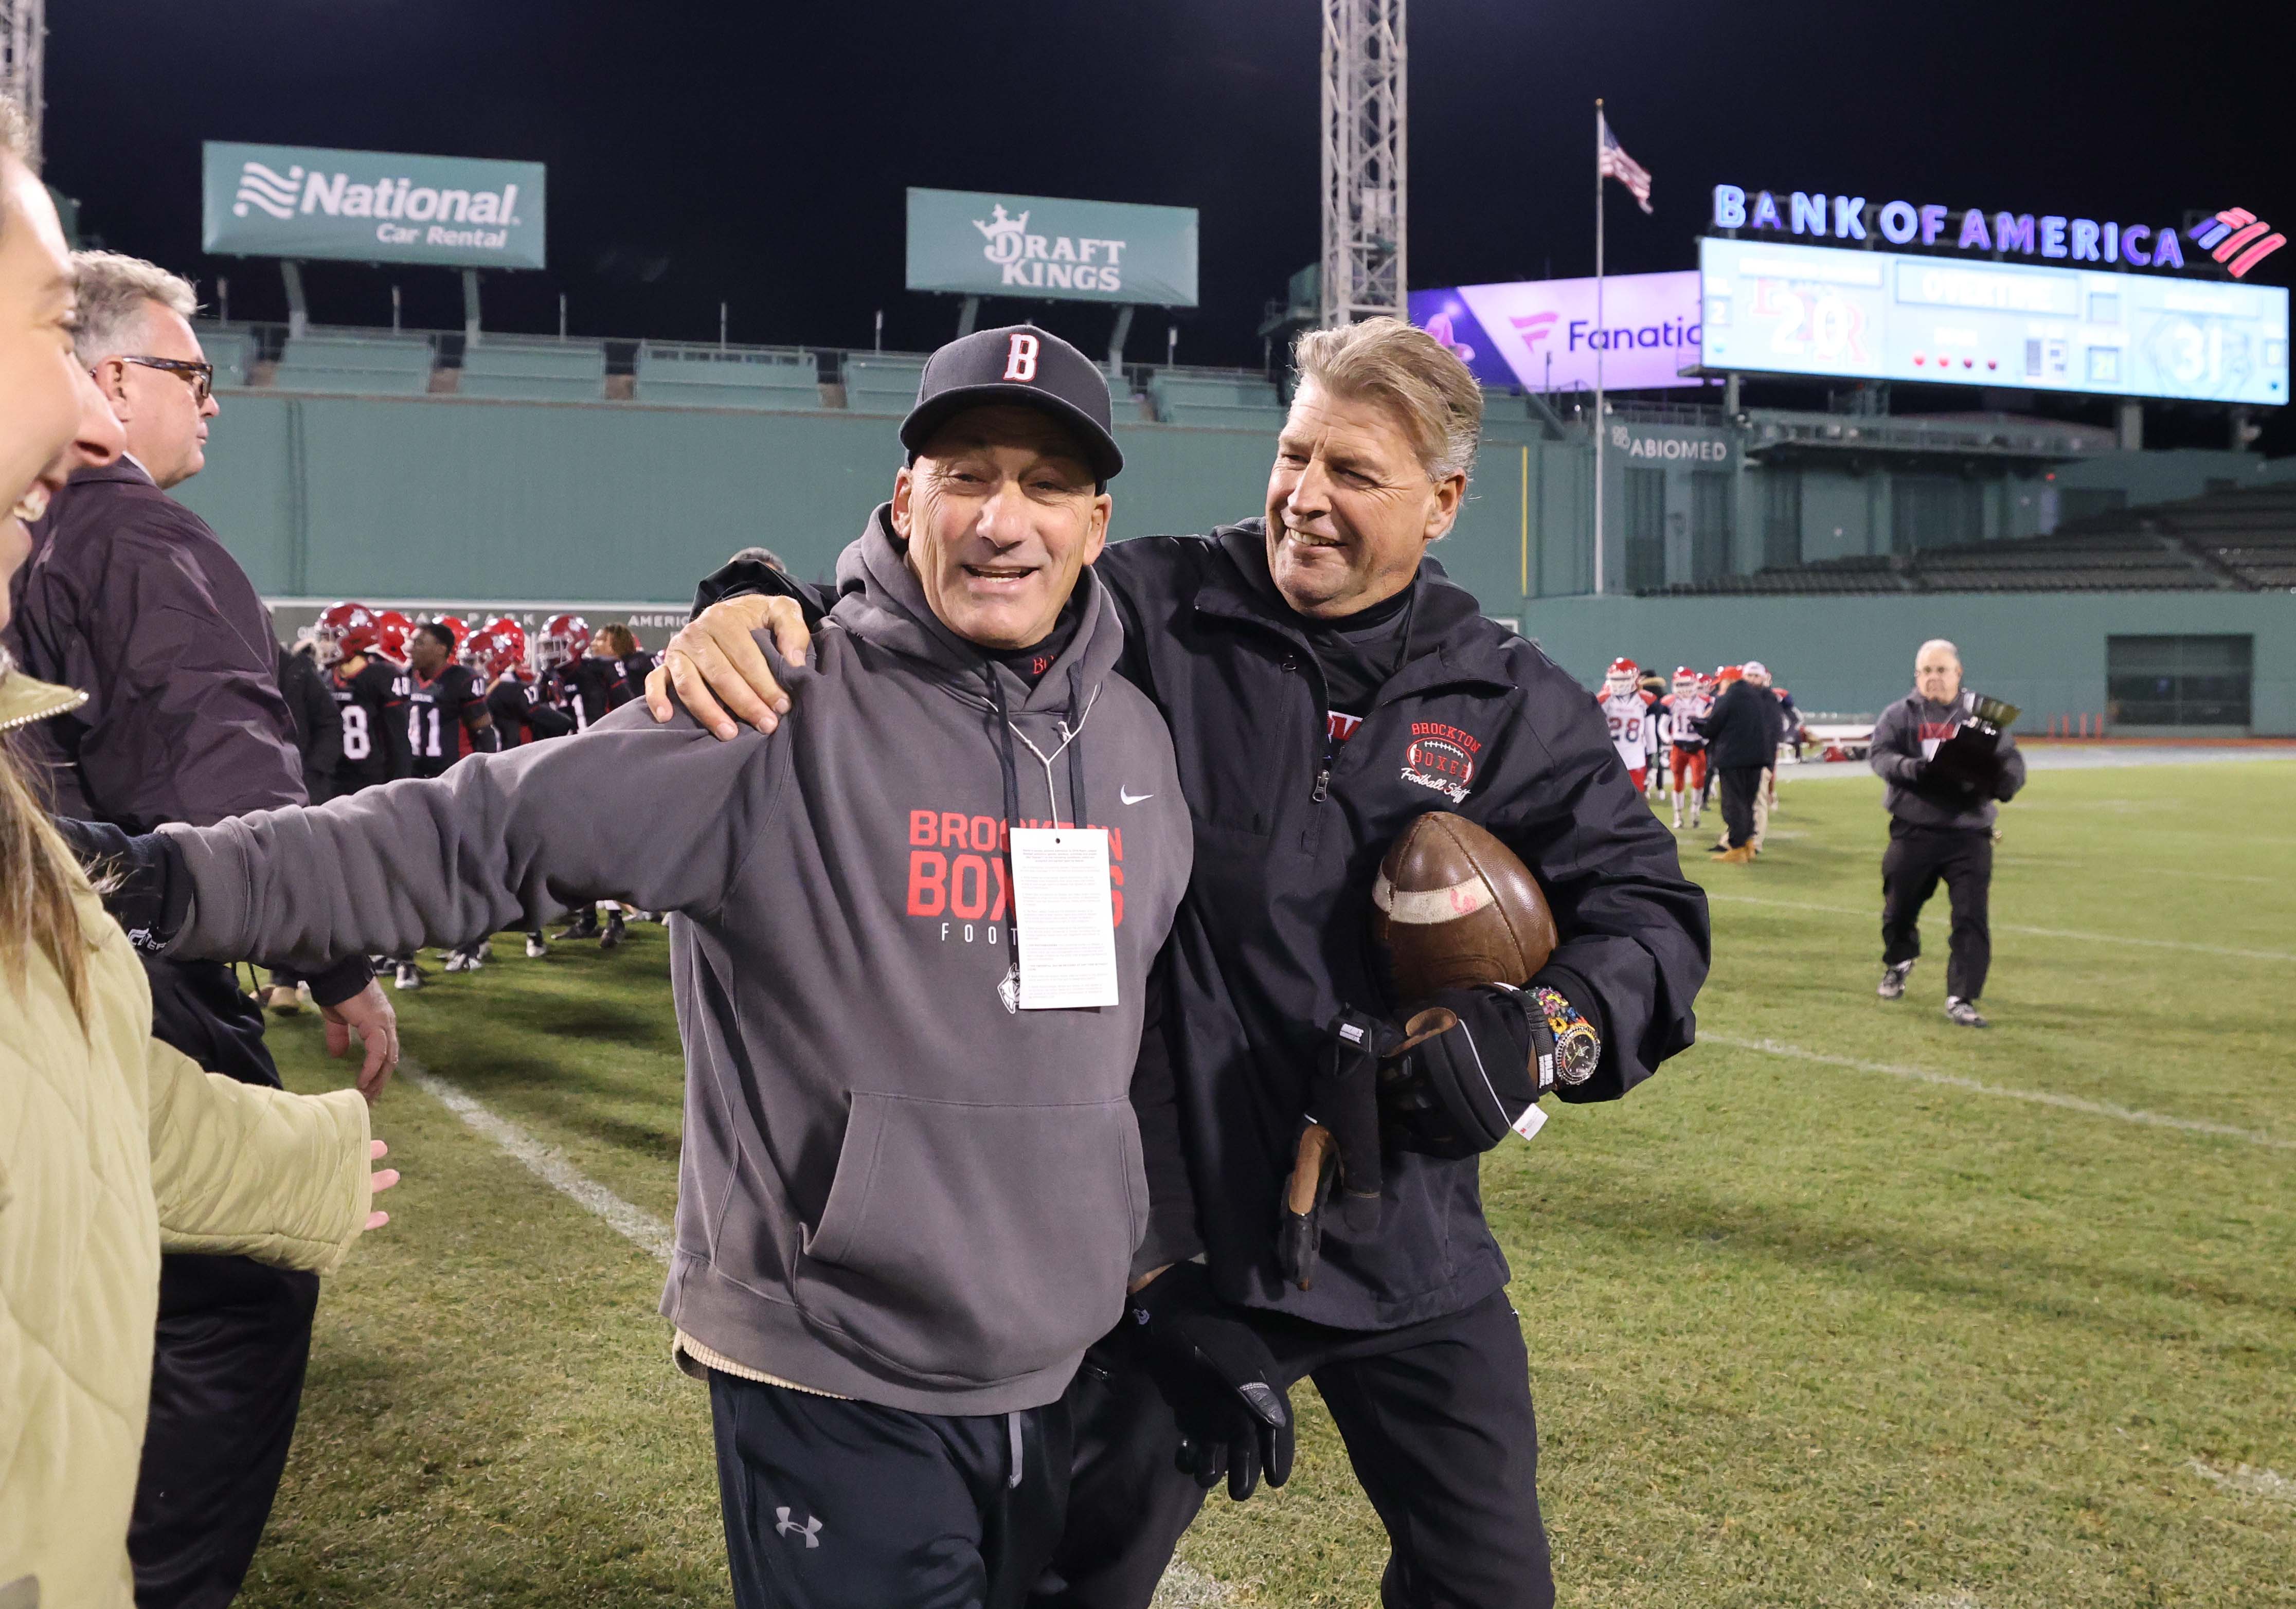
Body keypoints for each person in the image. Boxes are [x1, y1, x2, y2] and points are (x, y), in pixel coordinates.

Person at [133, 323, 1198, 1609]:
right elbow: (475, 831)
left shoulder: (1134, 735)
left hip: (1054, 1372)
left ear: (1097, 522)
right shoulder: (771, 701)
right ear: (905, 494)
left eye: (1042, 485)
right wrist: (169, 880)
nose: (1000, 520)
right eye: (966, 474)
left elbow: (1129, 1027)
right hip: (835, 1371)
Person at [657, 316, 1711, 1609]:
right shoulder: (1151, 609)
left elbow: (1649, 913)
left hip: (1406, 1243)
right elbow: (958, 592)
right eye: (1292, 457)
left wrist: (1546, 1028)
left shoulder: (1503, 696)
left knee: (1490, 1585)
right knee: (1070, 1582)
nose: (1304, 502)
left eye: (1353, 476)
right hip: (1168, 1248)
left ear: (1439, 503)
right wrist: (760, 597)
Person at [0, 97, 393, 1609]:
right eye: (182, 373)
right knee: (210, 1332)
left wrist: (288, 1158)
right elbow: (236, 790)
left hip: (128, 1003)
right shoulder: (145, 540)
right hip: (165, 975)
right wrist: (340, 953)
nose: (159, 414)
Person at [1868, 639, 2025, 1027]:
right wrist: (1914, 769)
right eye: (1927, 671)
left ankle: (1962, 996)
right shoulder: (1899, 714)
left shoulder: (1985, 716)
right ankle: (1900, 958)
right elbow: (1880, 755)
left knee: (1971, 917)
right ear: (1917, 676)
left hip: (1969, 833)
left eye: (1942, 670)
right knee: (1898, 909)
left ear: (1958, 673)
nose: (1934, 678)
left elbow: (2012, 761)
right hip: (1914, 831)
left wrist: (2003, 782)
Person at [1696, 663, 1773, 864]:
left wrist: (1697, 723)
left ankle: (1738, 847)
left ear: (1728, 680)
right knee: (1748, 804)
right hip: (1757, 759)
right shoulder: (1757, 696)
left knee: (1734, 805)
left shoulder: (1729, 697)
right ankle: (1748, 844)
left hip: (1734, 759)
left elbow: (1712, 727)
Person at [1597, 656, 1660, 796]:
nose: (1620, 684)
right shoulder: (1604, 700)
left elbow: (1650, 733)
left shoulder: (1645, 701)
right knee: (1610, 800)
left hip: (1636, 759)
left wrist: (1653, 760)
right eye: (1616, 680)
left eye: (1623, 680)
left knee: (1637, 802)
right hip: (1611, 759)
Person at [1657, 664, 1709, 831]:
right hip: (1679, 746)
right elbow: (1662, 725)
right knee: (1678, 782)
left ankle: (1695, 810)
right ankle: (1678, 815)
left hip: (1696, 744)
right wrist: (1667, 738)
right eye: (1681, 685)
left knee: (1698, 780)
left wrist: (1707, 737)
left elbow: (1711, 722)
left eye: (1687, 684)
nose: (1685, 689)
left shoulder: (1705, 701)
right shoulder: (1670, 703)